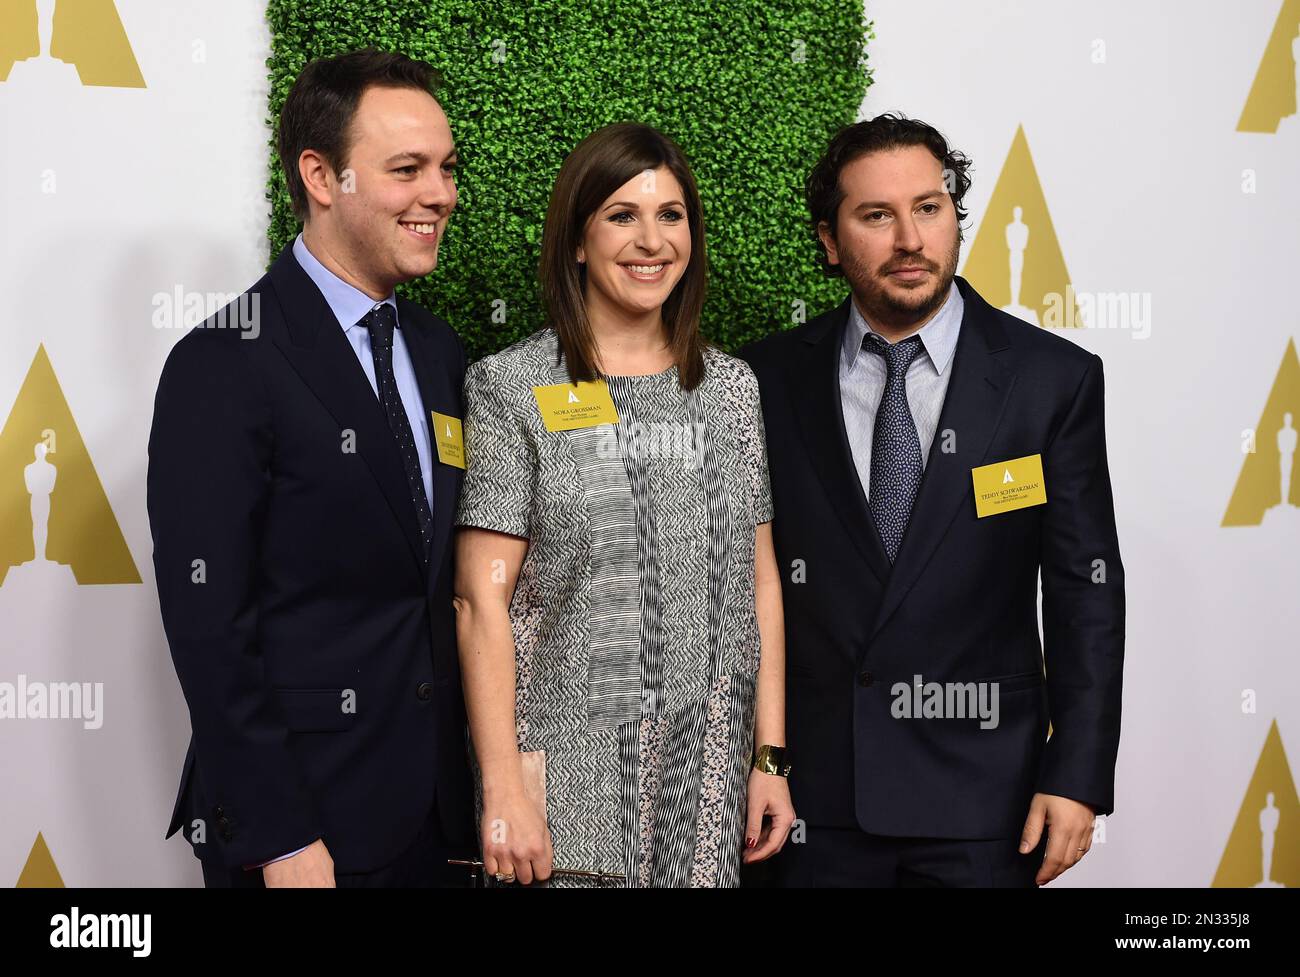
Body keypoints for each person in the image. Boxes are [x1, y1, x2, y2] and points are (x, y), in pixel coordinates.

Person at [739, 113, 1124, 887]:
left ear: (956, 218)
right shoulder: (765, 380)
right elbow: (744, 589)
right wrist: (763, 759)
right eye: (876, 216)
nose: (909, 238)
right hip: (812, 804)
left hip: (987, 802)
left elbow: (1086, 589)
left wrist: (1077, 772)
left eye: (929, 207)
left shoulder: (1050, 379)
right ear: (828, 239)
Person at [147, 49, 474, 887]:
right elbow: (210, 626)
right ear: (321, 176)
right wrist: (280, 836)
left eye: (445, 168)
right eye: (407, 169)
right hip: (304, 834)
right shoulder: (222, 360)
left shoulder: (439, 353)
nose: (440, 194)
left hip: (439, 822)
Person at [453, 122, 795, 887]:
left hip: (706, 771)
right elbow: (481, 601)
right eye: (622, 215)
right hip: (565, 774)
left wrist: (769, 754)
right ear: (577, 241)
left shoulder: (731, 389)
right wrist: (504, 783)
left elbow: (760, 579)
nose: (651, 240)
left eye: (671, 215)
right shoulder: (512, 388)